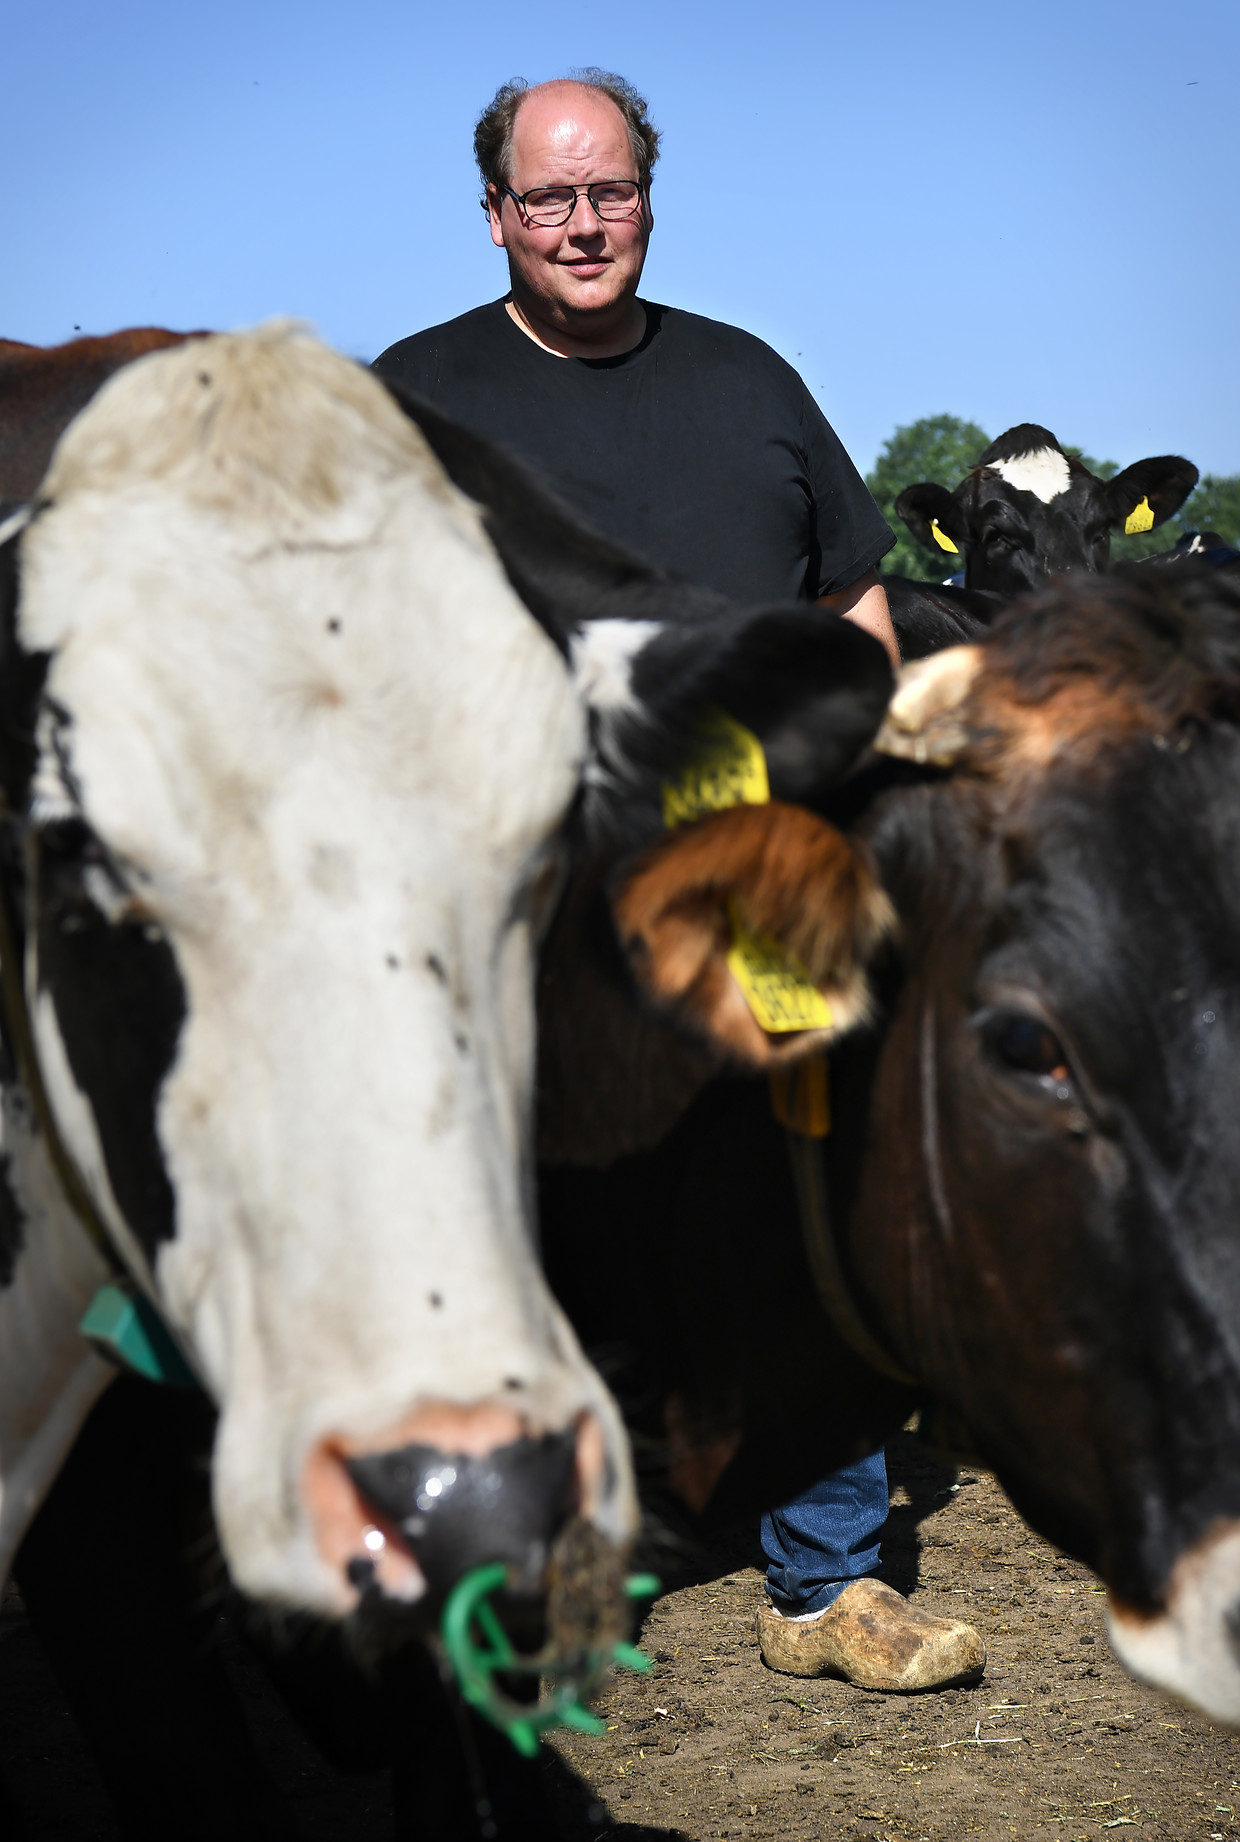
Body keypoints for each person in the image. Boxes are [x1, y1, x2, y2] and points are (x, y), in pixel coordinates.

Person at [373, 68, 982, 1693]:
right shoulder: (416, 397)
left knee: (801, 1205)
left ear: (652, 190)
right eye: (550, 195)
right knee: (541, 1221)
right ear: (496, 210)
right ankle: (572, 1579)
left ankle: (829, 1577)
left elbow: (855, 601)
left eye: (612, 188)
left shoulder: (751, 381)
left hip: (754, 853)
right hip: (528, 876)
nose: (585, 221)